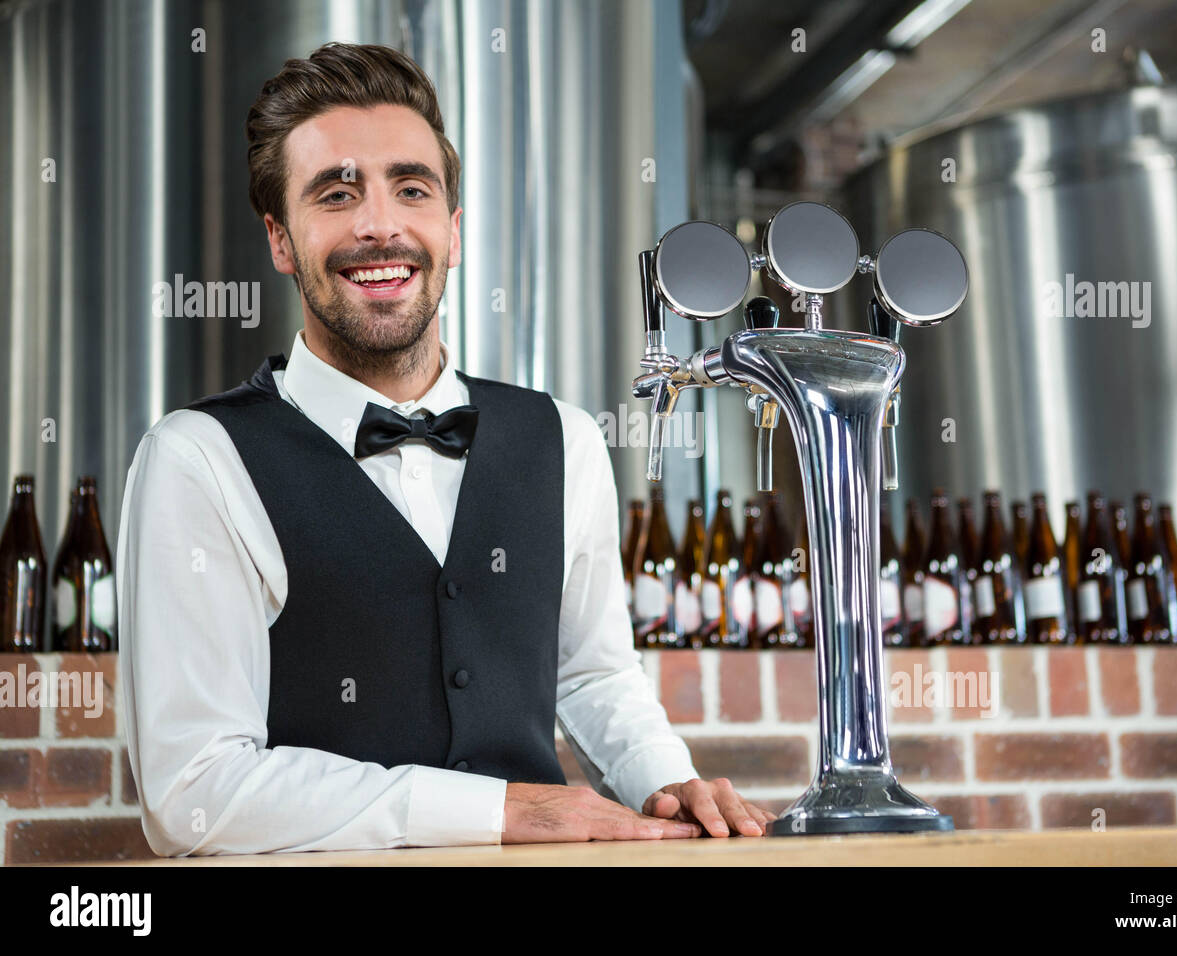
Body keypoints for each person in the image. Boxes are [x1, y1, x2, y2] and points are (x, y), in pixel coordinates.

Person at [118, 42, 774, 855]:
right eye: (336, 193)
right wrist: (503, 811)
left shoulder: (565, 440)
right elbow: (194, 795)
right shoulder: (198, 460)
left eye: (411, 188)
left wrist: (664, 782)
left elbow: (593, 673)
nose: (379, 224)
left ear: (452, 230)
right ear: (281, 241)